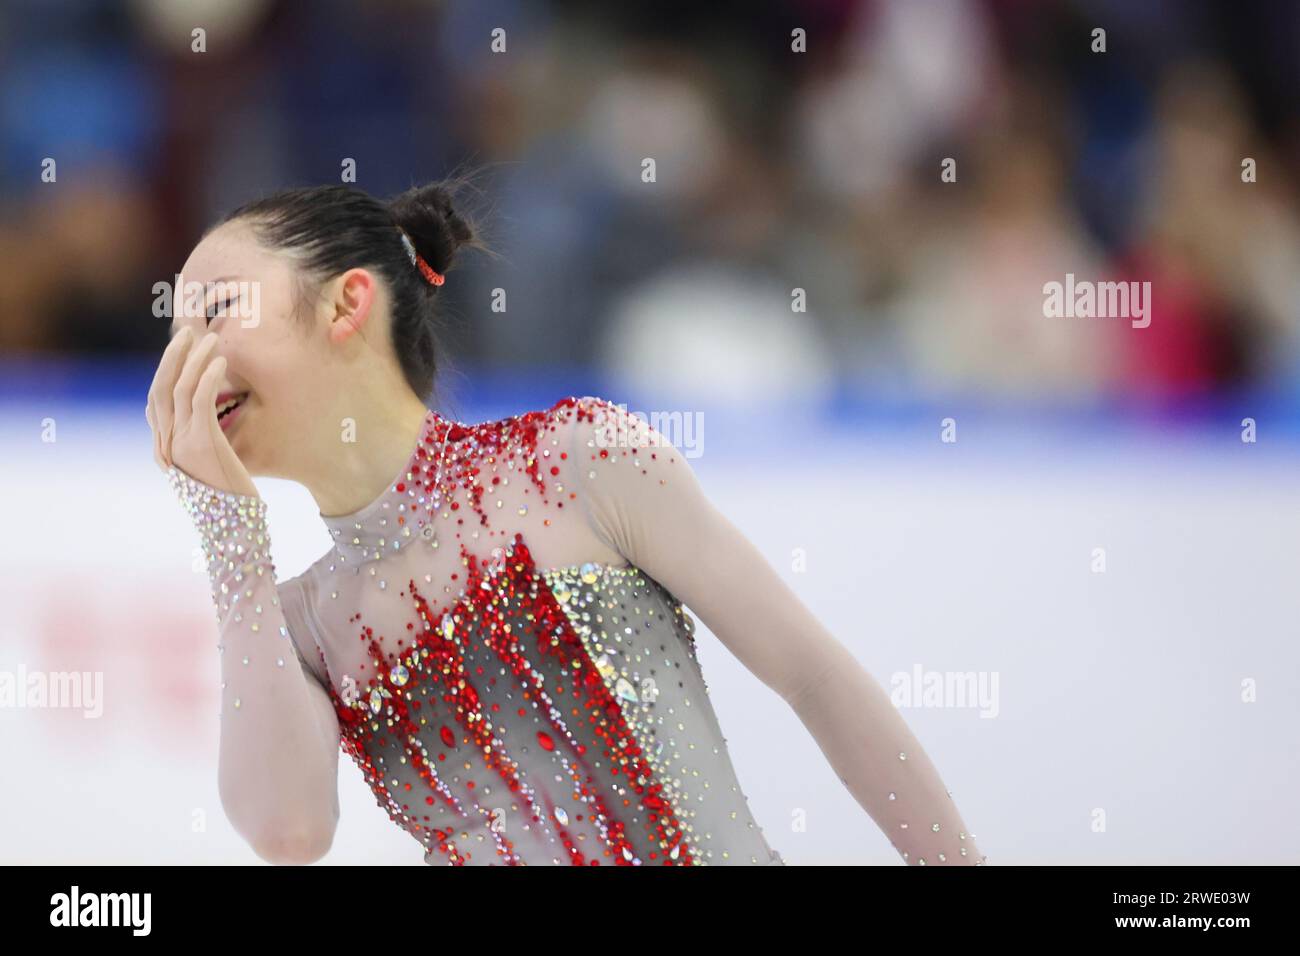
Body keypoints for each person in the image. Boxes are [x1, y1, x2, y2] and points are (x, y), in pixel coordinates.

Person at [146, 179, 987, 866]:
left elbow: (812, 676)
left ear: (345, 305)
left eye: (214, 311)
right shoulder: (303, 626)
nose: (185, 363)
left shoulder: (579, 463)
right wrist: (231, 545)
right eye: (174, 330)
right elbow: (287, 835)